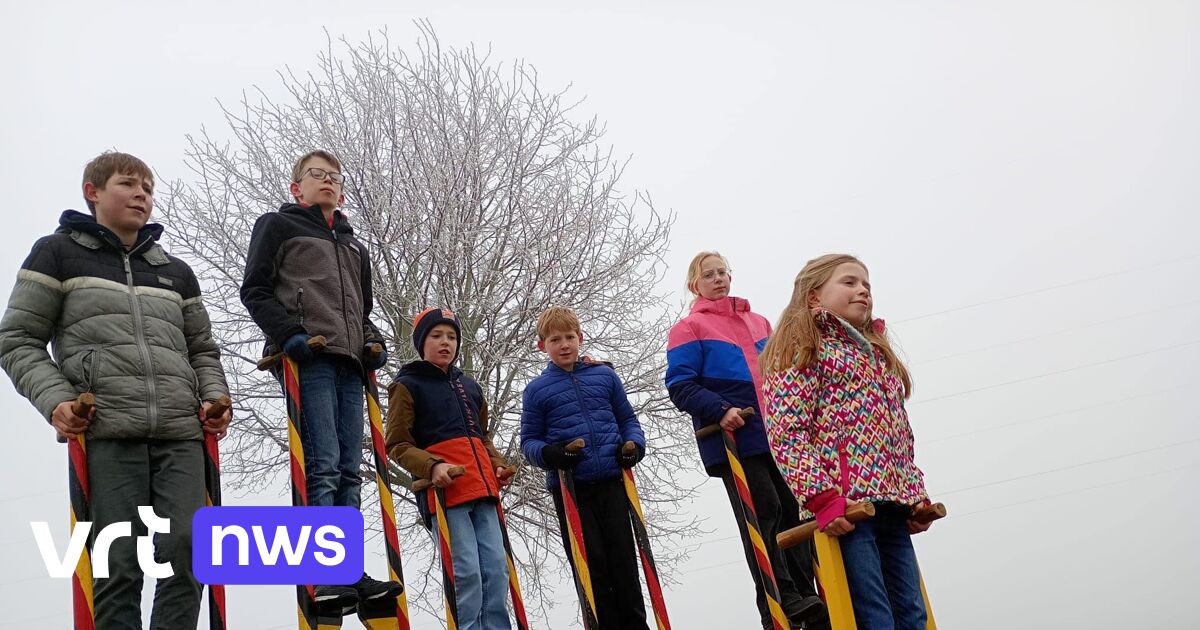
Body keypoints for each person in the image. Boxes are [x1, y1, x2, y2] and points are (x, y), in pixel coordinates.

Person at [0, 151, 232, 629]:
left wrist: (212, 396)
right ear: (93, 191)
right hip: (105, 430)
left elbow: (203, 349)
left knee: (189, 553)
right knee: (118, 563)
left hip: (180, 433)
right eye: (128, 184)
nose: (142, 195)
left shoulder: (175, 271)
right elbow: (17, 339)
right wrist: (56, 400)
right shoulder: (56, 253)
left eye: (147, 187)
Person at [240, 149, 400, 609]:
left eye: (334, 176)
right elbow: (255, 289)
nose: (327, 181)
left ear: (342, 190)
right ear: (297, 187)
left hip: (351, 363)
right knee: (323, 463)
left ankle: (349, 570)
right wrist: (288, 333)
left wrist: (373, 340)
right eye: (316, 175)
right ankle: (321, 570)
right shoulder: (278, 225)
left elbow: (361, 311)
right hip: (308, 356)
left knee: (350, 470)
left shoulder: (354, 247)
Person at [761, 253, 932, 630]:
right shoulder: (803, 346)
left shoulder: (876, 354)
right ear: (814, 297)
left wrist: (914, 495)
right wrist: (822, 497)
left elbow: (898, 435)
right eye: (850, 282)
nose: (863, 291)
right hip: (846, 509)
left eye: (867, 285)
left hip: (890, 503)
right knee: (871, 612)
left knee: (911, 611)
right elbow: (788, 433)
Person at [665, 250, 828, 630]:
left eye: (723, 272)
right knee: (764, 511)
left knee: (795, 510)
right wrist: (720, 408)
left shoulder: (759, 322)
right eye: (709, 275)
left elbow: (780, 372)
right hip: (736, 437)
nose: (719, 279)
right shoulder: (689, 328)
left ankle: (808, 593)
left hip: (778, 434)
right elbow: (680, 385)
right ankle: (779, 596)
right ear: (695, 285)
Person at [520, 306, 650, 630]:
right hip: (571, 490)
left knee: (623, 561)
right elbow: (529, 442)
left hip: (612, 481)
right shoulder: (537, 391)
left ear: (580, 339)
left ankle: (636, 625)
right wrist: (550, 454)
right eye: (554, 339)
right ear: (542, 346)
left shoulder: (604, 376)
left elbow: (628, 420)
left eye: (569, 337)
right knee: (592, 564)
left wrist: (633, 446)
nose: (563, 345)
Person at [385, 307, 515, 630]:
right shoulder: (407, 384)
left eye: (452, 337)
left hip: (483, 490)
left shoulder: (469, 387)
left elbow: (481, 437)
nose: (446, 343)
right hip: (445, 494)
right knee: (466, 570)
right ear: (421, 342)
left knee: (497, 569)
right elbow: (397, 444)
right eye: (437, 336)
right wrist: (433, 467)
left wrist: (497, 465)